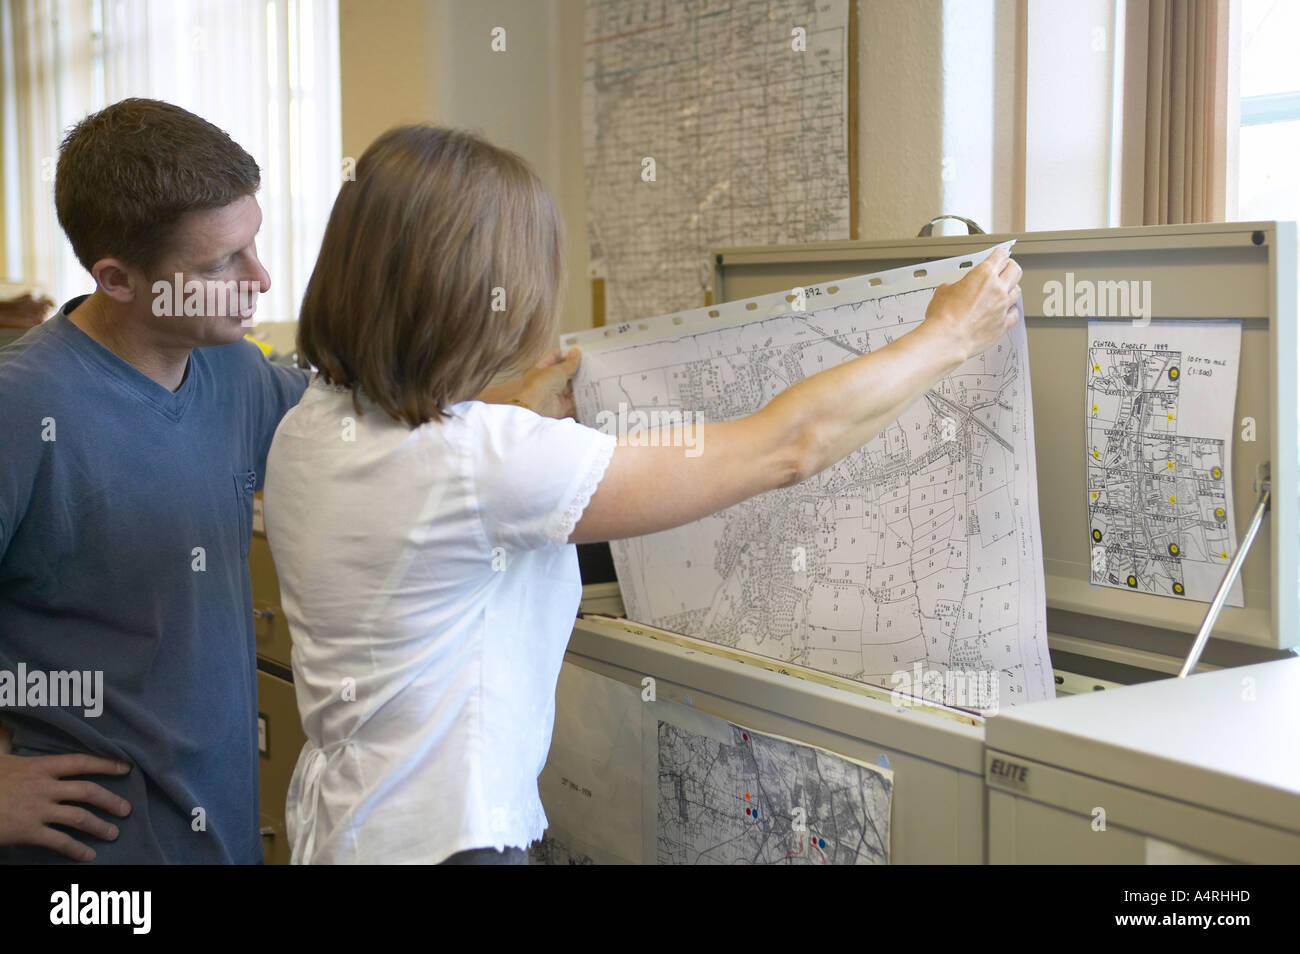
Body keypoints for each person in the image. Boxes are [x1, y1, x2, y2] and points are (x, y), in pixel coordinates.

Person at [263, 124, 1023, 865]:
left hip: (347, 826)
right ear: (470, 296)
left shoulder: (310, 424)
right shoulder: (482, 463)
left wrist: (515, 405)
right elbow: (786, 447)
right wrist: (948, 336)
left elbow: (435, 485)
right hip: (452, 841)